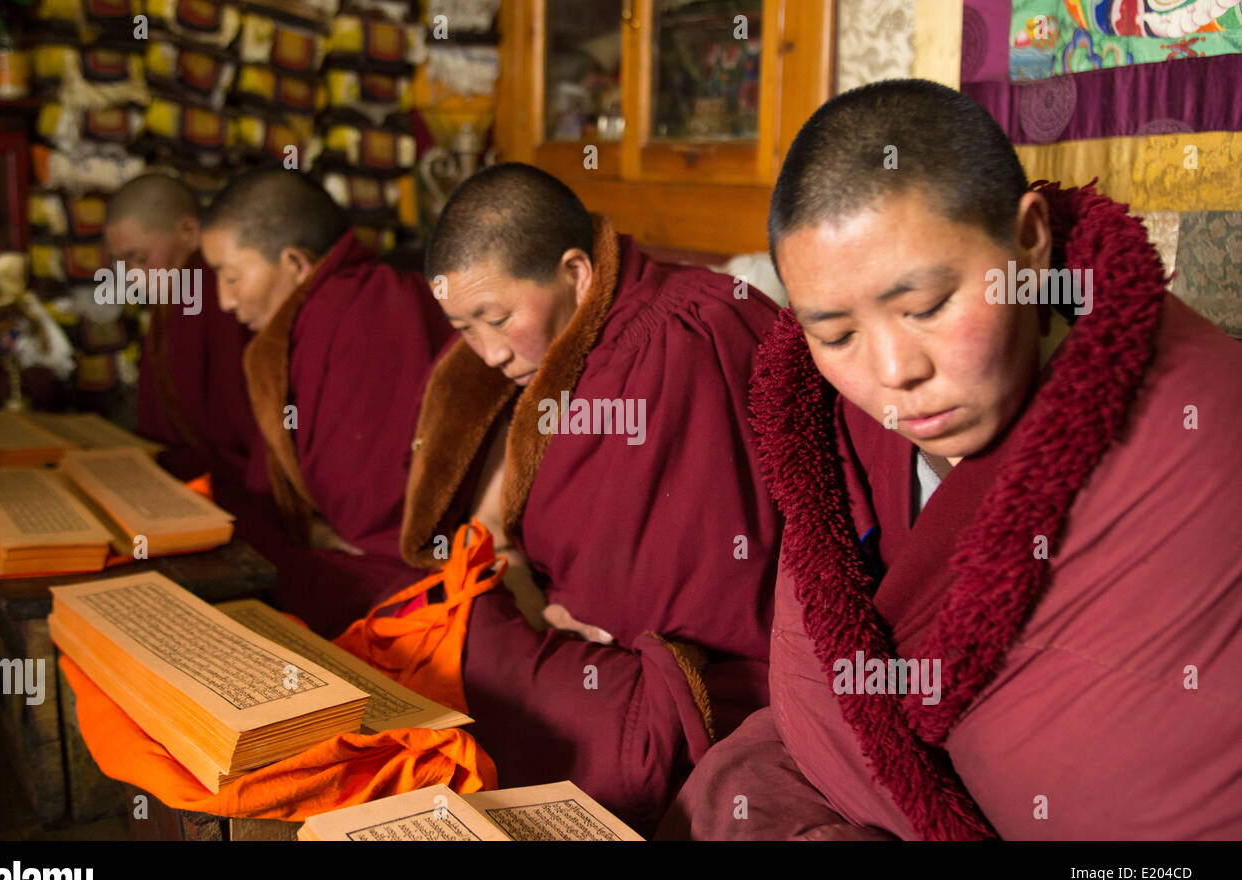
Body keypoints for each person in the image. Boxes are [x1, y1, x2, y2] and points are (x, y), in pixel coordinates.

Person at [658, 79, 1242, 840]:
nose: (895, 371)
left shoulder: (1200, 422)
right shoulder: (827, 420)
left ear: (1029, 239)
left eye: (928, 307)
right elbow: (817, 702)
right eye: (836, 335)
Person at [390, 162, 782, 832]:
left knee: (471, 668)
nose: (484, 352)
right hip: (585, 635)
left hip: (712, 675)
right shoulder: (554, 348)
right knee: (441, 636)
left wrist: (563, 609)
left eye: (496, 317)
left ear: (576, 274)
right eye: (463, 326)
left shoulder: (679, 338)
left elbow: (678, 583)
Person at [200, 168, 453, 636]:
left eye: (231, 276)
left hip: (403, 572)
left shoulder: (365, 314)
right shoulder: (313, 319)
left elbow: (372, 514)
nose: (224, 301)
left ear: (296, 264)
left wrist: (312, 532)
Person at [105, 173, 257, 483]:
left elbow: (243, 417)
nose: (134, 276)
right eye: (124, 265)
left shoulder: (214, 288)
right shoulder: (177, 292)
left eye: (141, 258)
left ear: (188, 231)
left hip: (227, 485)